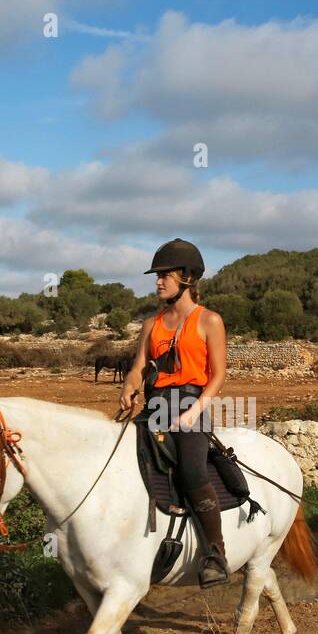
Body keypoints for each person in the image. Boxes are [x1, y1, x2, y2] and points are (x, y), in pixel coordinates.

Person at [120, 238, 231, 587]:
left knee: (193, 470)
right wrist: (129, 386)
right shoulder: (151, 324)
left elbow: (218, 375)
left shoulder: (209, 320)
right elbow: (139, 365)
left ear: (186, 278)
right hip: (154, 405)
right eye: (157, 276)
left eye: (164, 275)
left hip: (189, 406)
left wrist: (194, 410)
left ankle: (216, 553)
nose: (157, 282)